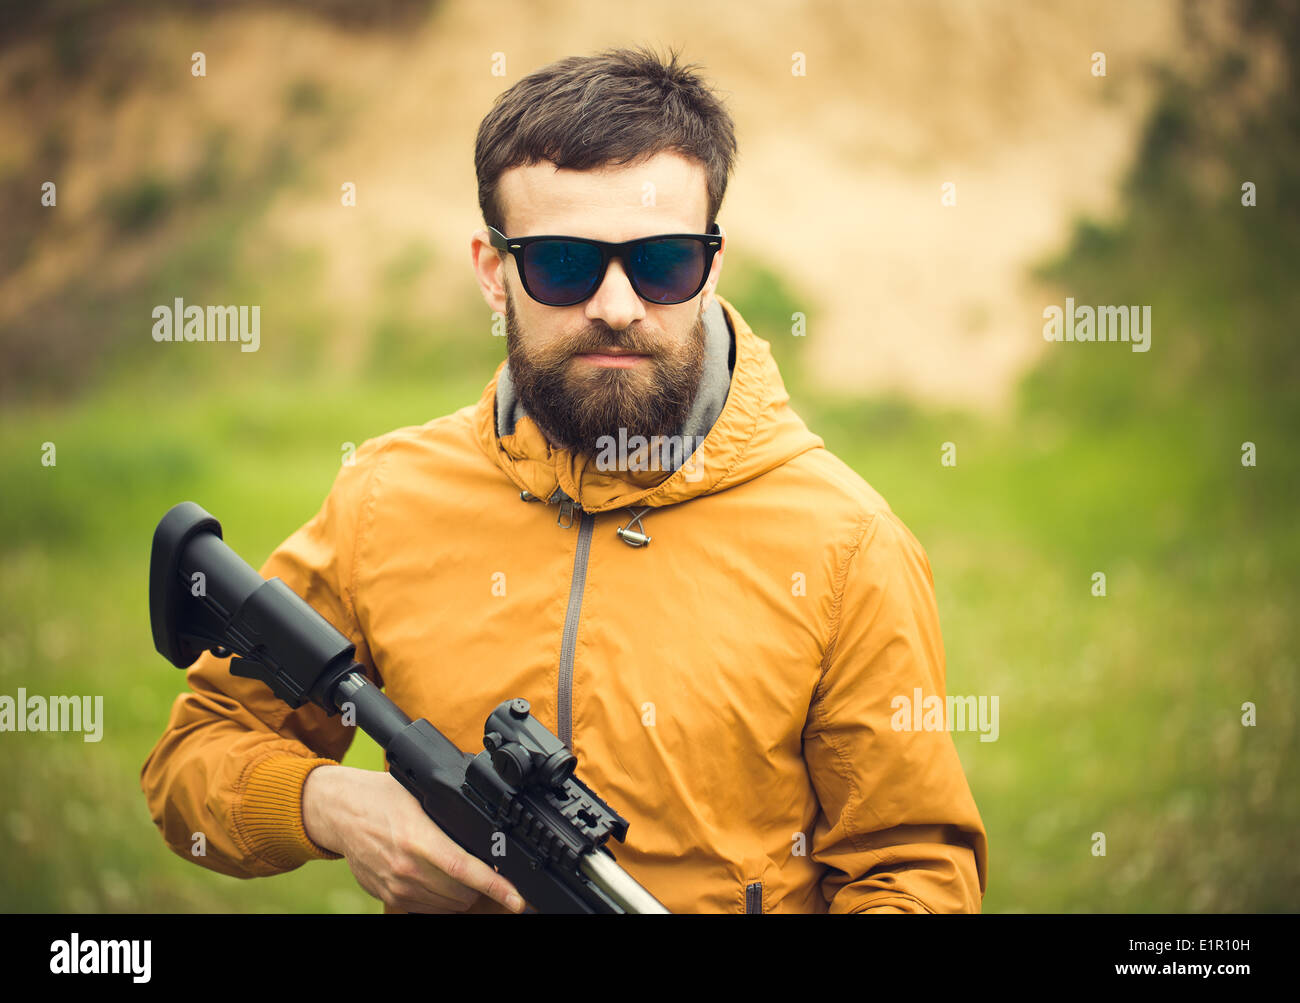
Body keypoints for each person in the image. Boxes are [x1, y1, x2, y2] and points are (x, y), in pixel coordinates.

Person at [141, 45, 988, 914]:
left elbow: (914, 870)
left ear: (713, 266)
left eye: (661, 263)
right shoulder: (384, 498)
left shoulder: (846, 543)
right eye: (563, 264)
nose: (617, 305)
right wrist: (334, 806)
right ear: (492, 272)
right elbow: (193, 759)